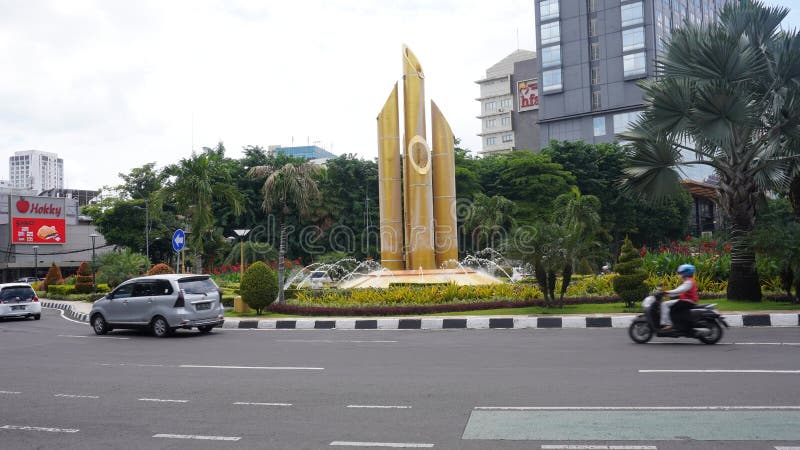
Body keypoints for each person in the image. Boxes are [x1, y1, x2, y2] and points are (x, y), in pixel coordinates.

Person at [660, 264, 699, 331]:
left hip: (688, 301)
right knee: (665, 304)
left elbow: (679, 290)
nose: (680, 274)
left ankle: (669, 324)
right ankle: (668, 323)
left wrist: (667, 292)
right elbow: (679, 292)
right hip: (685, 300)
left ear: (686, 272)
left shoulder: (689, 282)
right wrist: (667, 294)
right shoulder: (687, 281)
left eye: (681, 273)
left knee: (671, 307)